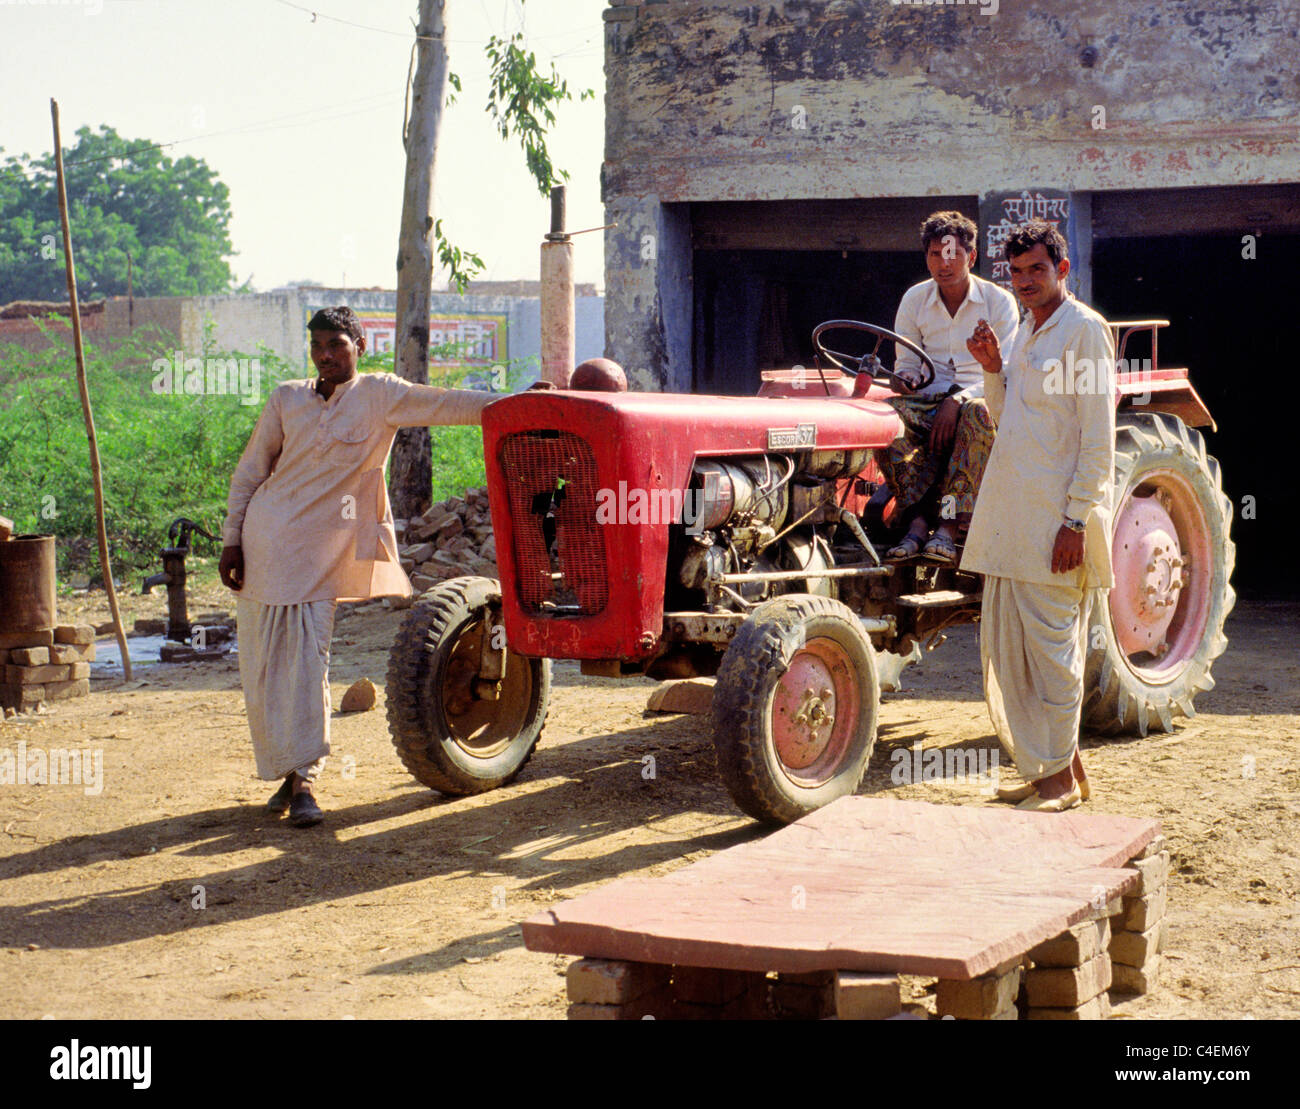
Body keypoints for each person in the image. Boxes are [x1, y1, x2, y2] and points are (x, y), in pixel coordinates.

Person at [219, 307, 494, 827]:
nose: (325, 355)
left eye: (337, 344)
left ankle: (305, 782)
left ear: (360, 346)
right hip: (267, 542)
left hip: (323, 555)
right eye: (318, 344)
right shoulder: (287, 398)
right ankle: (284, 773)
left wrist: (520, 402)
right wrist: (232, 541)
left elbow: (452, 404)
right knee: (266, 667)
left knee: (309, 660)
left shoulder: (380, 395)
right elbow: (251, 472)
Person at [961, 221, 1116, 812]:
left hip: (1057, 525)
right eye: (1017, 272)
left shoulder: (1085, 331)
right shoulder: (1027, 329)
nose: (1025, 282)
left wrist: (1076, 520)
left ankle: (1055, 786)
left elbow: (1097, 438)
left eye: (1037, 271)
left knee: (1053, 655)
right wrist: (993, 367)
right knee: (1016, 652)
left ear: (1063, 270)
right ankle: (1062, 776)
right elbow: (1009, 421)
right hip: (1013, 520)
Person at [878, 211, 1020, 564]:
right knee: (884, 418)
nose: (945, 262)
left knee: (976, 413)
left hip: (982, 396)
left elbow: (1005, 372)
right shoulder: (914, 299)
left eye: (953, 253)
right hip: (929, 400)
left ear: (971, 257)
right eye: (935, 254)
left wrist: (957, 399)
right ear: (926, 257)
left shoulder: (998, 302)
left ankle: (949, 525)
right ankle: (916, 521)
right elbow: (908, 364)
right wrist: (905, 379)